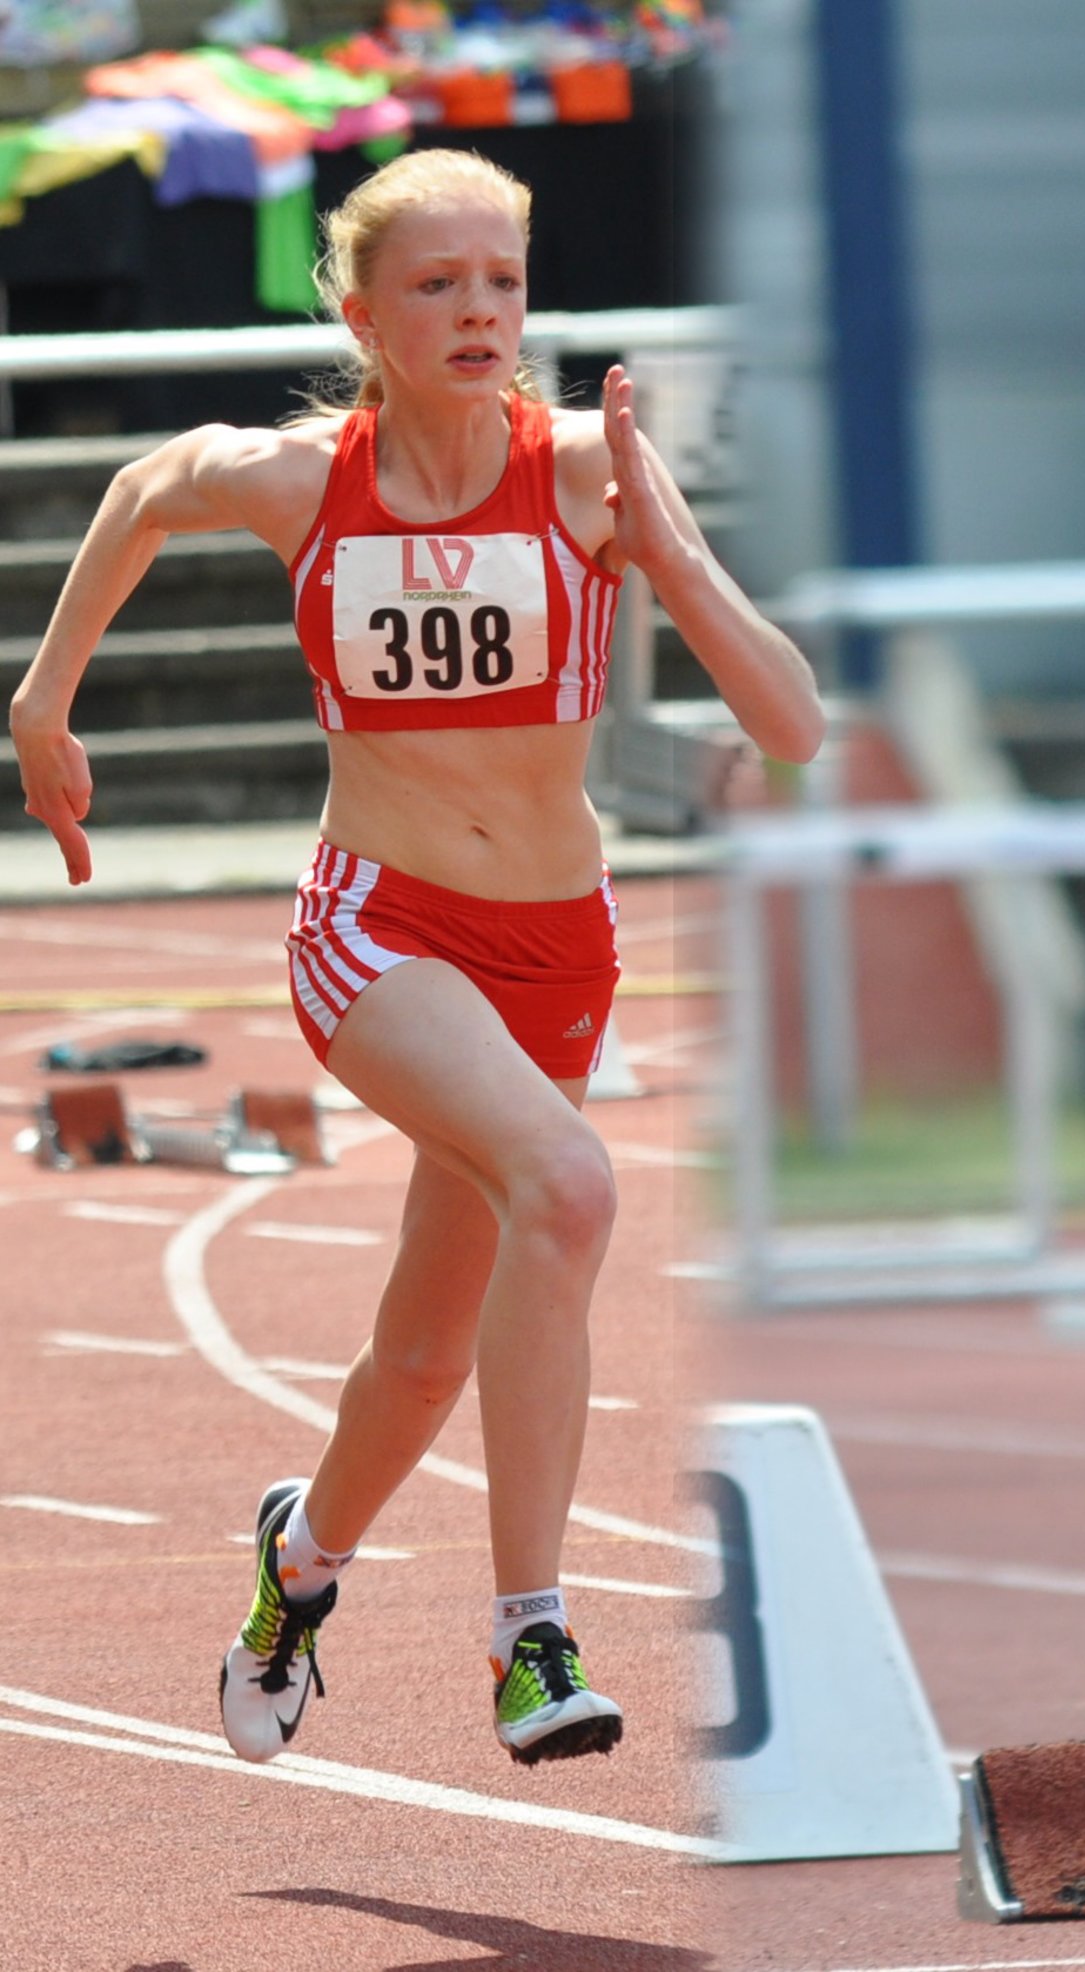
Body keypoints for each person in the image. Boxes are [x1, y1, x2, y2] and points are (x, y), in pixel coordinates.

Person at [7, 148, 824, 1767]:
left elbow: (790, 722)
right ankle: (532, 1635)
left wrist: (667, 554)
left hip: (556, 952)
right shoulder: (305, 482)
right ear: (363, 316)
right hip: (377, 928)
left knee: (427, 1348)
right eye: (437, 284)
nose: (477, 312)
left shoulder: (585, 472)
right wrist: (43, 702)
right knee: (569, 1187)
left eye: (501, 281)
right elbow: (145, 486)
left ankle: (299, 1562)